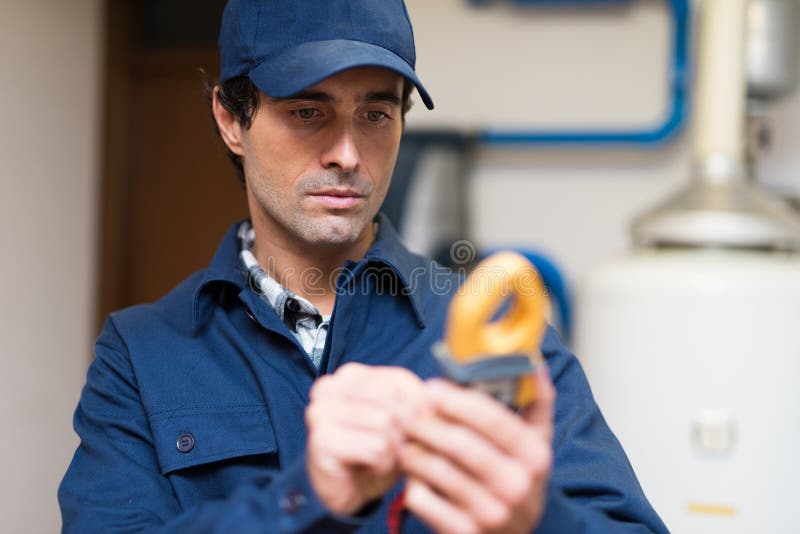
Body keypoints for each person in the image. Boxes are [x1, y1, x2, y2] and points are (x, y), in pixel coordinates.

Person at [59, 1, 668, 532]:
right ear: (230, 120)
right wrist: (306, 499)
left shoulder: (498, 337)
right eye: (307, 111)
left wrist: (535, 519)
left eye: (375, 114)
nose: (347, 154)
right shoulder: (141, 355)